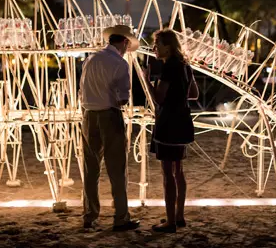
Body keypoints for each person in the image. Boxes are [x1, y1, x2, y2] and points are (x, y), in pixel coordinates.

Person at [79, 24, 140, 231]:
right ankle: (121, 217)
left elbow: (82, 89)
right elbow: (123, 98)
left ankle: (90, 215)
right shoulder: (120, 63)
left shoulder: (91, 59)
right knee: (116, 169)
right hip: (109, 115)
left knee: (91, 168)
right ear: (124, 42)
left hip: (88, 115)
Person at [144, 29, 199, 233]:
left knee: (167, 172)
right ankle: (179, 215)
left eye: (157, 44)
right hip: (183, 120)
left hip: (168, 122)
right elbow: (193, 93)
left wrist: (147, 82)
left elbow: (159, 98)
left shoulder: (168, 67)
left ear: (167, 46)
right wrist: (179, 95)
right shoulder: (185, 65)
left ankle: (170, 222)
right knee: (179, 170)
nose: (154, 49)